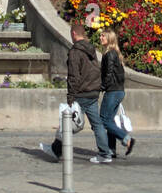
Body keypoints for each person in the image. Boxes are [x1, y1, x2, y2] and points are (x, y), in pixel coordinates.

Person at [39, 22, 113, 164]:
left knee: (68, 122)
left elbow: (74, 76)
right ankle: (105, 153)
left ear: (73, 34)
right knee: (97, 124)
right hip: (92, 92)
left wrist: (70, 96)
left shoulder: (75, 52)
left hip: (81, 93)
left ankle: (56, 150)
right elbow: (94, 71)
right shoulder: (91, 50)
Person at [99, 28, 135, 158]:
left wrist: (101, 86)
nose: (100, 38)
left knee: (103, 120)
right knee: (110, 121)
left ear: (109, 39)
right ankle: (111, 149)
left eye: (103, 36)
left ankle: (126, 139)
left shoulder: (109, 54)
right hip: (118, 91)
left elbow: (108, 74)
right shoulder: (115, 54)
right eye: (101, 36)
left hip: (112, 91)